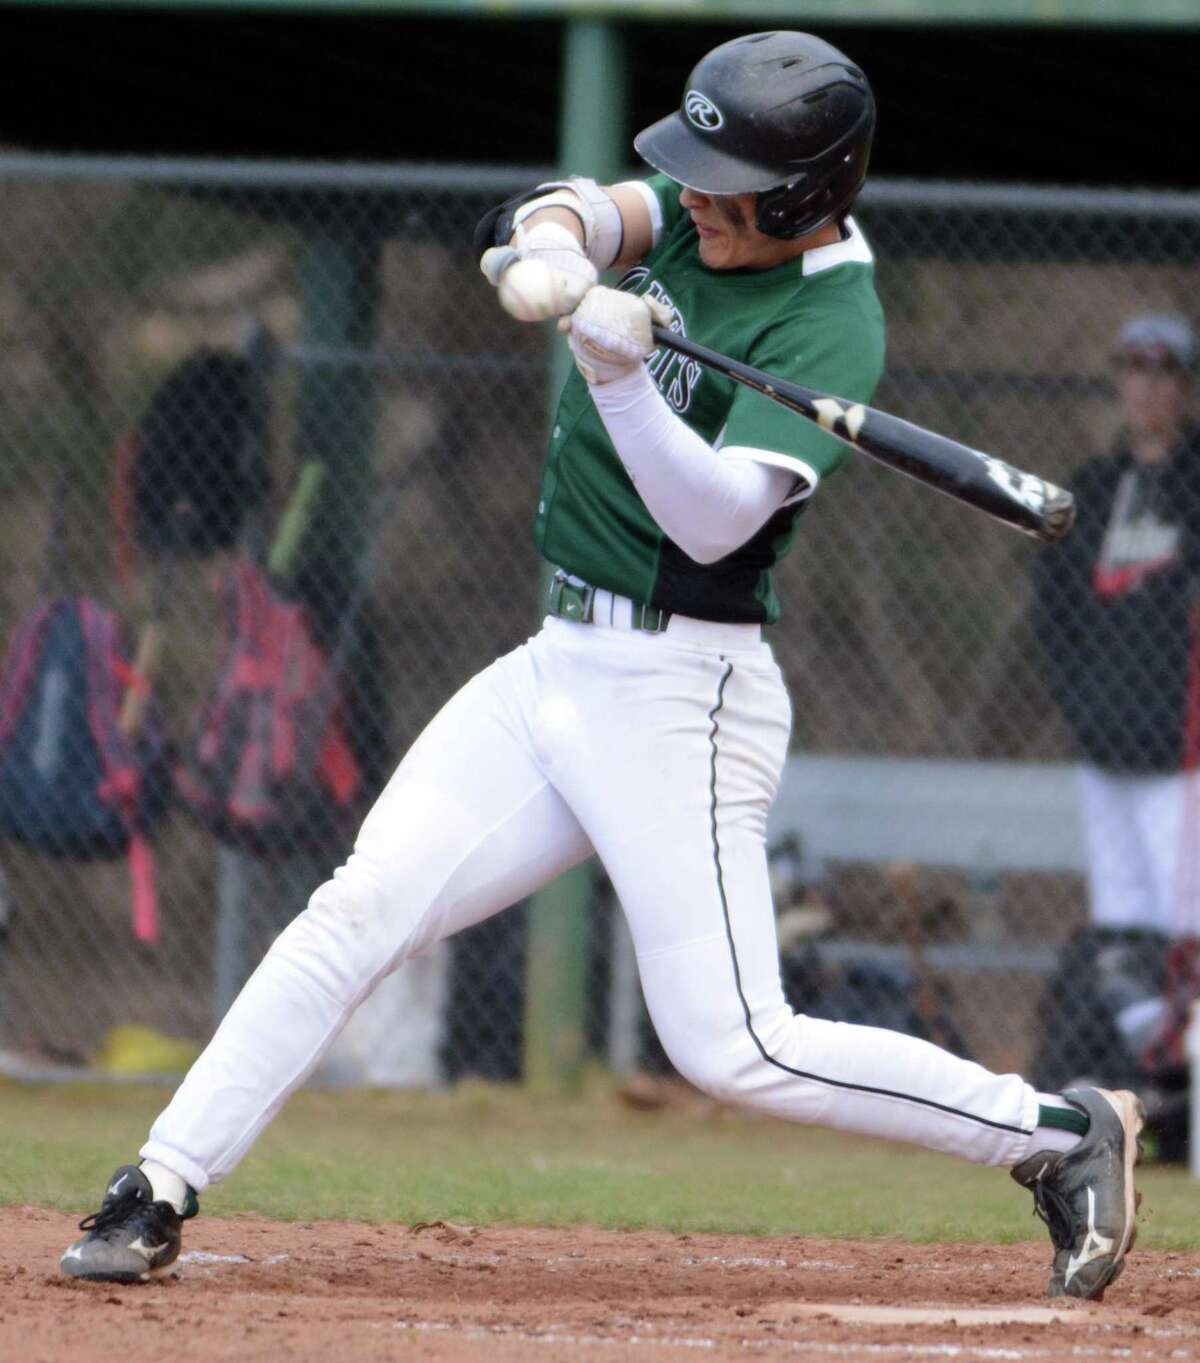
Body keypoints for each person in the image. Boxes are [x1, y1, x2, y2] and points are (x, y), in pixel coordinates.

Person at [61, 31, 1143, 1302]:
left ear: (800, 196)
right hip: (555, 665)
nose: (690, 194)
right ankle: (161, 1182)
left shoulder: (829, 318)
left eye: (721, 176)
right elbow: (579, 203)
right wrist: (558, 247)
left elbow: (713, 522)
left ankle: (1063, 1136)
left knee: (735, 1047)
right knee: (359, 910)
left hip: (684, 695)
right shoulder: (697, 218)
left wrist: (619, 378)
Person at [1030, 314, 1200, 1123]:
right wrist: (1083, 708)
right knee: (1122, 929)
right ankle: (1162, 1088)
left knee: (1185, 926)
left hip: (1185, 748)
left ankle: (1186, 1076)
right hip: (1105, 742)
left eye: (1165, 370)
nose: (1148, 385)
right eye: (1133, 367)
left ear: (1186, 384)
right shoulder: (1090, 492)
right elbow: (1054, 616)